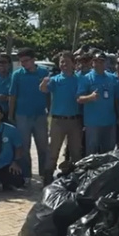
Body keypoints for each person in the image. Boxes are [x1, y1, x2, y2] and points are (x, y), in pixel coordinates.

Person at [8, 47, 50, 182]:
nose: (24, 63)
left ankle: (44, 174)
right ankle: (26, 175)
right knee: (24, 147)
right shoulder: (17, 75)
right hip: (22, 115)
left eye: (26, 60)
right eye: (21, 61)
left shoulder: (44, 72)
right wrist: (11, 114)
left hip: (40, 115)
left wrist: (49, 111)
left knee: (43, 146)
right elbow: (12, 95)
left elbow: (49, 94)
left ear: (33, 59)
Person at [41, 52, 83, 180]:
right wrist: (44, 83)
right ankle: (48, 177)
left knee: (76, 152)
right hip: (58, 120)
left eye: (67, 62)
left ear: (73, 64)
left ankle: (76, 178)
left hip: (75, 120)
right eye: (61, 62)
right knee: (53, 151)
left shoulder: (79, 79)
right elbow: (43, 89)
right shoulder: (55, 79)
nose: (64, 64)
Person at [78, 50, 119, 155]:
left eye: (101, 61)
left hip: (110, 122)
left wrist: (118, 117)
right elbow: (79, 99)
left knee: (108, 154)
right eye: (95, 61)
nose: (98, 64)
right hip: (93, 123)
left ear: (106, 63)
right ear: (92, 63)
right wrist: (90, 97)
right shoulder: (86, 78)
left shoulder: (113, 78)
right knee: (91, 154)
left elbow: (117, 99)